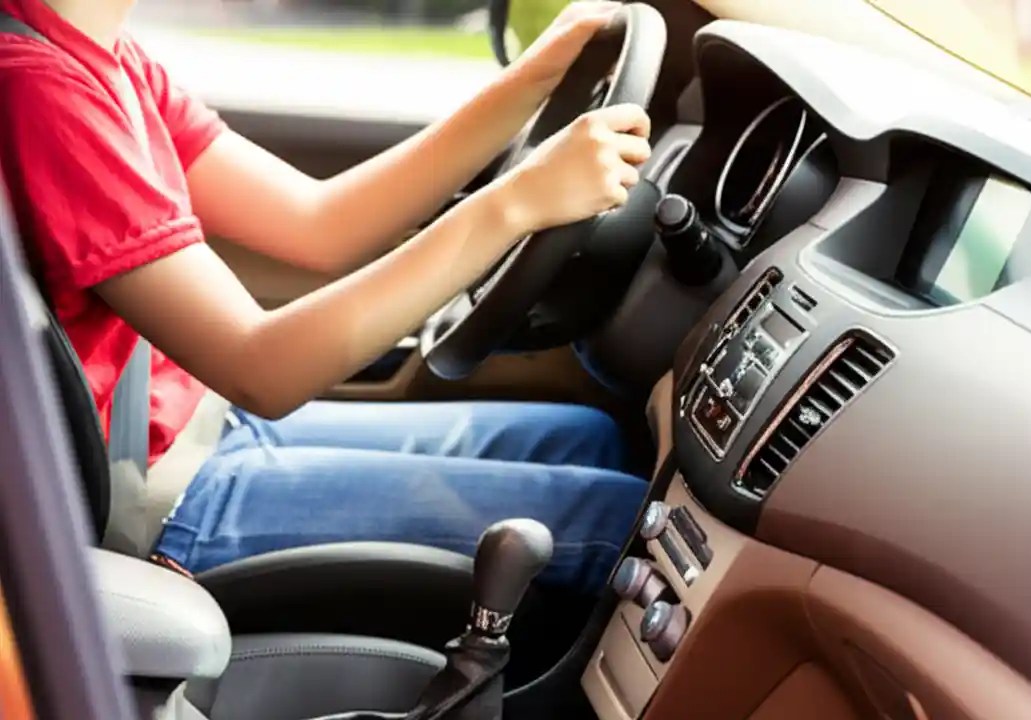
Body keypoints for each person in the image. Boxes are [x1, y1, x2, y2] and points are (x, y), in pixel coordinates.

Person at [0, 0, 652, 593]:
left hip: (198, 429)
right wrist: (517, 204)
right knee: (625, 520)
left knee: (587, 439)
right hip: (156, 502)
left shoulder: (103, 57)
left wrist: (535, 78)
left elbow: (319, 222)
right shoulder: (37, 87)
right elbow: (260, 367)